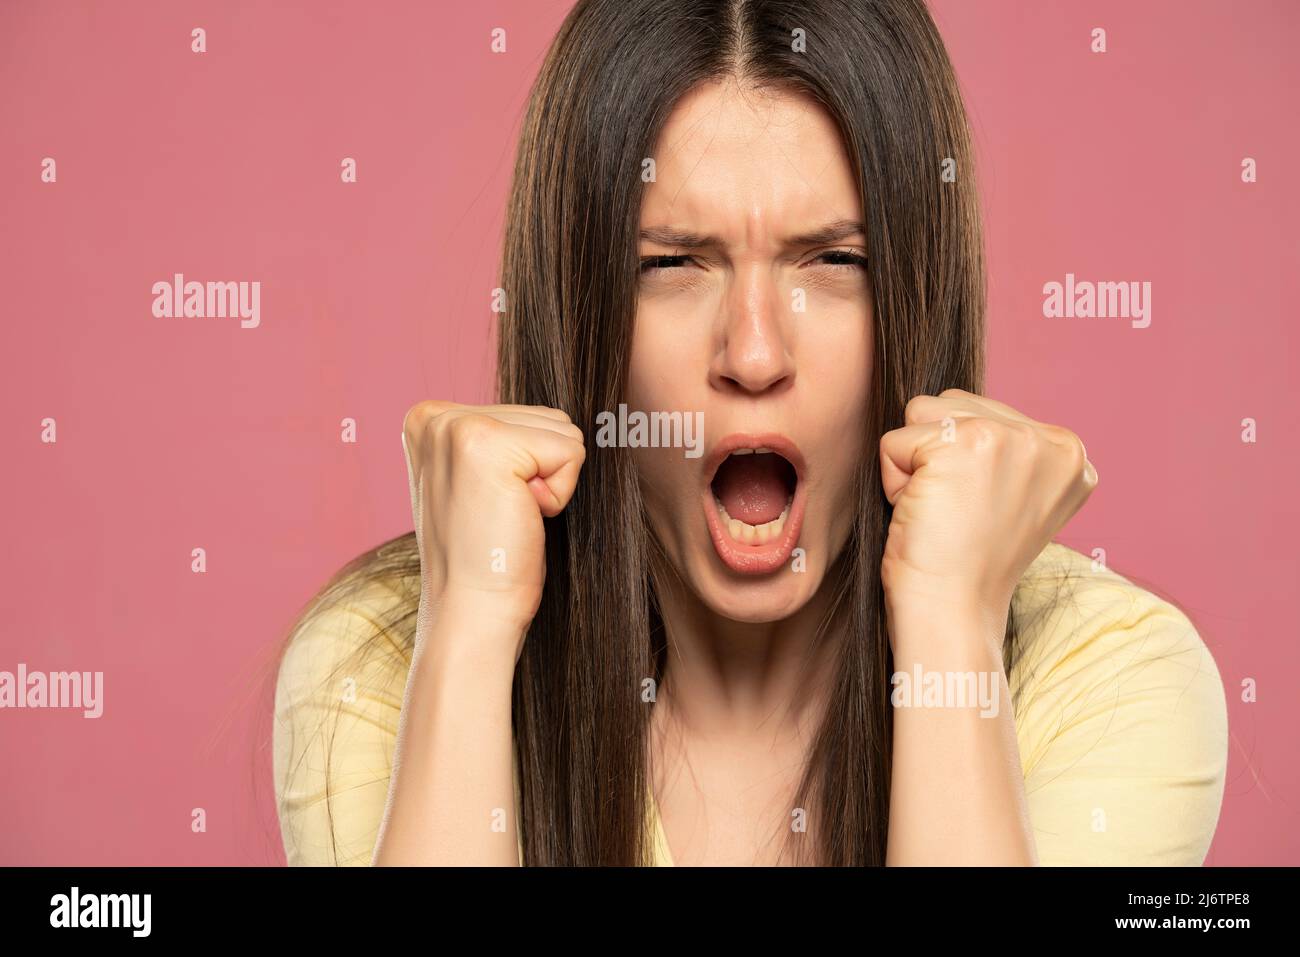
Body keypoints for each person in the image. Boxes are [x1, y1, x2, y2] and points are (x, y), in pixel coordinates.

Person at [272, 0, 1227, 866]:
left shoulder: (1111, 674)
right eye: (675, 261)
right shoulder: (384, 662)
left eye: (836, 259)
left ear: (917, 296)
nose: (756, 352)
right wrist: (469, 634)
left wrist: (949, 624)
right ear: (581, 310)